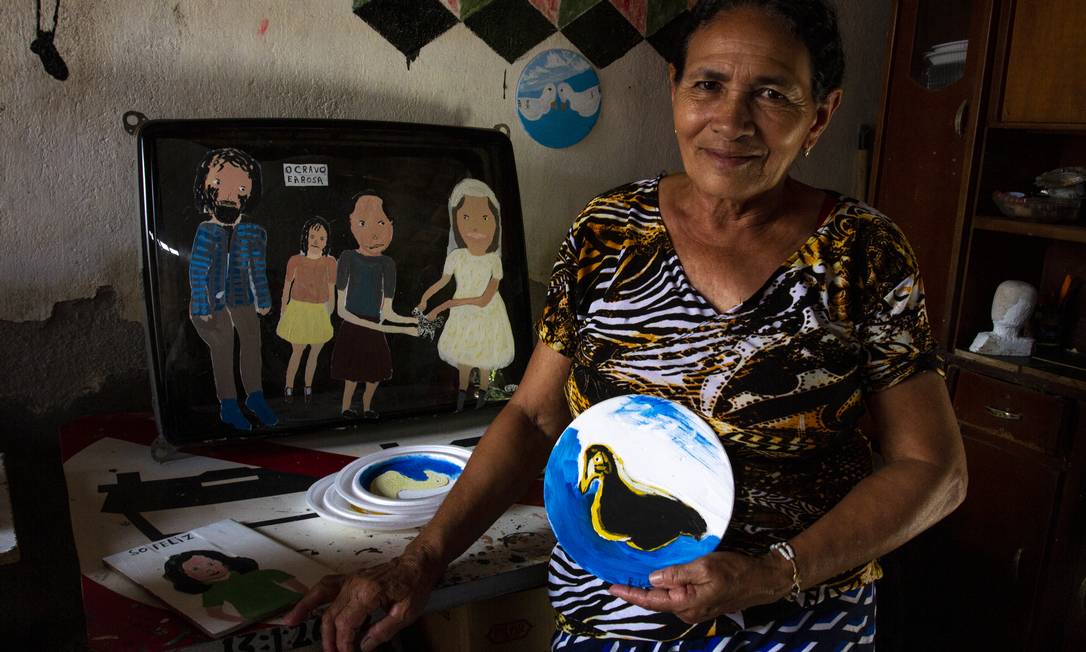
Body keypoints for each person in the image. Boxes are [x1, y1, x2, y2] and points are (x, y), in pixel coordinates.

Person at [284, 1, 967, 650]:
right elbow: (530, 418)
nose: (730, 121)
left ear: (820, 117)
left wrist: (772, 574)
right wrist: (420, 561)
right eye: (709, 84)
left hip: (796, 621)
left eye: (773, 94)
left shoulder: (862, 253)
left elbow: (934, 469)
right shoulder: (608, 230)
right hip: (608, 619)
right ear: (675, 89)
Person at [188, 147, 278, 431]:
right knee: (223, 347)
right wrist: (202, 305)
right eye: (219, 184)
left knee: (252, 343)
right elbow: (197, 271)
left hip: (242, 298)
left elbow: (257, 271)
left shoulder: (253, 232)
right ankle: (228, 404)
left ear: (250, 192)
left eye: (239, 187)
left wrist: (263, 299)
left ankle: (255, 396)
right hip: (211, 303)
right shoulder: (205, 231)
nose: (228, 194)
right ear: (206, 186)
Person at [417, 178, 516, 411]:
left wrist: (444, 305)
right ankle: (459, 407)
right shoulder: (457, 257)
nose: (475, 227)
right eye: (466, 218)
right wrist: (424, 299)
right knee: (463, 363)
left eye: (484, 218)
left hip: (487, 318)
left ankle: (479, 405)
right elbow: (443, 281)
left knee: (482, 364)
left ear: (495, 223)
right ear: (456, 223)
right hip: (462, 318)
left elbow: (484, 300)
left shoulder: (494, 261)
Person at [330, 191, 418, 419]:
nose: (374, 231)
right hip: (353, 325)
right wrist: (401, 329)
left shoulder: (387, 264)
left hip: (374, 325)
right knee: (352, 373)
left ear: (391, 225)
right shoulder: (347, 258)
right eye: (363, 222)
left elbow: (387, 311)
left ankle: (368, 407)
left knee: (374, 374)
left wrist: (413, 321)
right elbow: (341, 310)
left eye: (381, 222)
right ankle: (346, 408)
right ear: (352, 225)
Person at [277, 216, 337, 404]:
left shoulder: (330, 262)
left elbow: (331, 289)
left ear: (326, 242)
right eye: (313, 237)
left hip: (319, 310)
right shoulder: (295, 260)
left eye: (321, 238)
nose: (316, 242)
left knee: (315, 352)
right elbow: (286, 287)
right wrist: (283, 310)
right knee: (298, 350)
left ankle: (308, 387)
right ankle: (288, 387)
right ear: (306, 237)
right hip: (299, 310)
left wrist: (329, 312)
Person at [164, 549, 309, 622]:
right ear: (188, 577)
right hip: (258, 617)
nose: (208, 569)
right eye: (196, 569)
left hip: (297, 604)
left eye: (210, 563)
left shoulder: (262, 574)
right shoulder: (213, 592)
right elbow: (214, 613)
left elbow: (299, 586)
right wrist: (241, 621)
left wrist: (306, 598)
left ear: (222, 561)